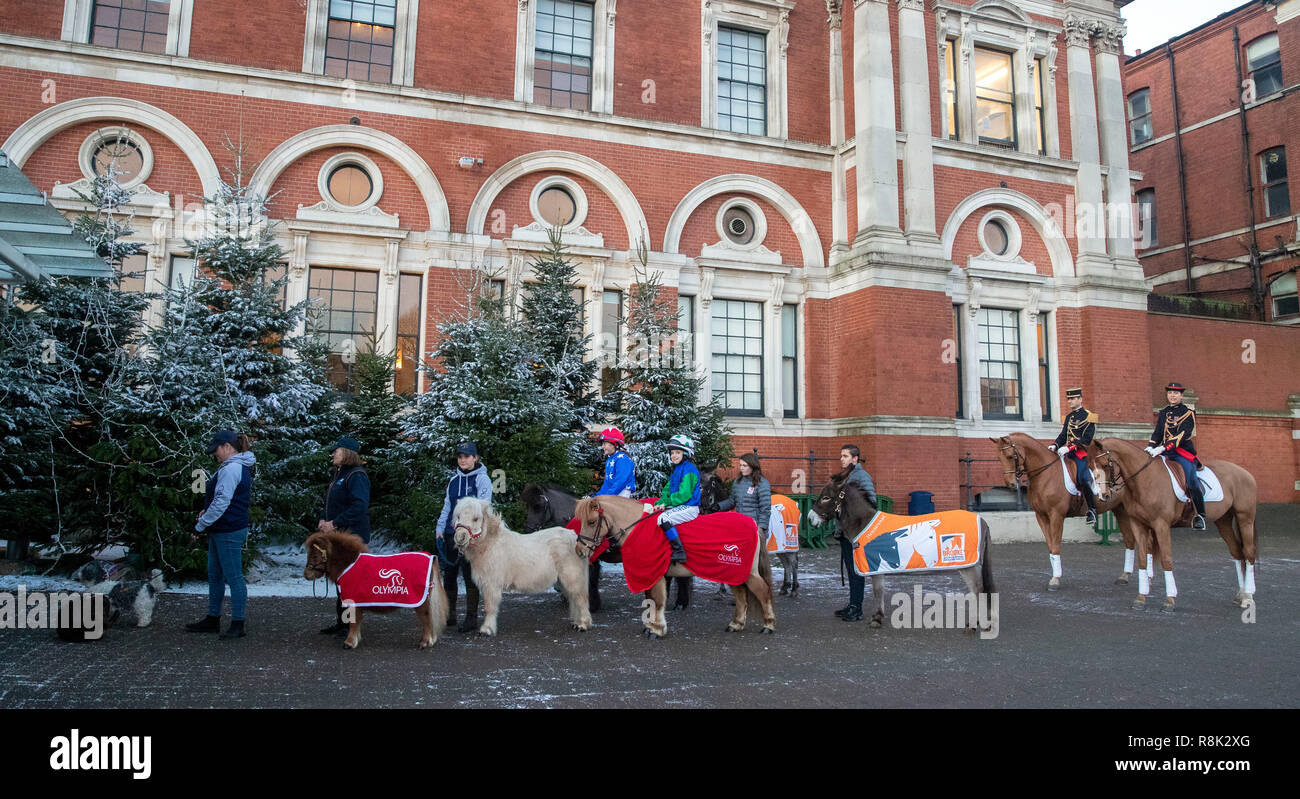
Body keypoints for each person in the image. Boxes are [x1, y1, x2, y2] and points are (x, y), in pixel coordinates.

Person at [186, 430, 256, 639]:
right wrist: (206, 514)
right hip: (222, 528)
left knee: (233, 577)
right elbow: (220, 500)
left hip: (228, 530)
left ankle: (238, 624)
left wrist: (200, 525)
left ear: (227, 446)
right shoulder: (231, 466)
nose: (214, 454)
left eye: (216, 449)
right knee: (215, 575)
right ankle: (213, 618)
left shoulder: (232, 468)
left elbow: (222, 502)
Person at [435, 442, 492, 632]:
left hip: (471, 538)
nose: (463, 460)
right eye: (460, 457)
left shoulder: (483, 480)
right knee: (449, 576)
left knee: (470, 577)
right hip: (452, 535)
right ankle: (450, 615)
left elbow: (485, 508)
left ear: (475, 458)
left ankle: (471, 618)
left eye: (467, 456)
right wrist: (440, 528)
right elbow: (447, 507)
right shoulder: (453, 481)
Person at [317, 436, 371, 636]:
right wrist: (323, 520)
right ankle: (342, 622)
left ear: (347, 453)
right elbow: (330, 503)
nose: (333, 454)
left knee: (350, 583)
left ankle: (350, 625)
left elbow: (359, 506)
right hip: (339, 536)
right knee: (341, 581)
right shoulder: (339, 474)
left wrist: (335, 522)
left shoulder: (357, 475)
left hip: (352, 537)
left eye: (336, 451)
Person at [1146, 381, 1206, 530]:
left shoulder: (1188, 413)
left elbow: (1183, 435)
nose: (1173, 395)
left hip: (1181, 452)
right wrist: (1151, 446)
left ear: (1181, 395)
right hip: (1164, 451)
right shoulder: (1163, 412)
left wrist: (1163, 448)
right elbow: (1158, 432)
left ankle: (1200, 515)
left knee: (1191, 479)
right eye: (1170, 393)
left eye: (1176, 393)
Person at [833, 444, 877, 622]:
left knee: (856, 570)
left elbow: (871, 503)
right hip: (845, 531)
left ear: (855, 458)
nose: (842, 459)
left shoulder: (862, 476)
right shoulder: (846, 476)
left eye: (845, 456)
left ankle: (856, 608)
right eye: (841, 456)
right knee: (850, 570)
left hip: (855, 533)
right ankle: (852, 604)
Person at [1049, 387, 1099, 525]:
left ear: (1080, 399)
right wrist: (1055, 445)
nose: (1070, 401)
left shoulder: (1089, 417)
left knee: (1083, 477)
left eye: (1073, 399)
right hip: (1065, 453)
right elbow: (1063, 435)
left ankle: (1092, 510)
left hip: (1080, 454)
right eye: (1069, 399)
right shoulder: (1069, 417)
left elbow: (1086, 440)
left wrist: (1069, 447)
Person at [654, 434, 701, 565]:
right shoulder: (678, 469)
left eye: (677, 452)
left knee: (663, 519)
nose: (673, 455)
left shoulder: (690, 470)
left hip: (690, 507)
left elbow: (684, 495)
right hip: (680, 505)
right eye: (672, 452)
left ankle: (679, 551)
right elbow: (667, 489)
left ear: (686, 454)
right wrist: (661, 501)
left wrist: (667, 502)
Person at [729, 453, 771, 546]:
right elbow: (732, 501)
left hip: (755, 527)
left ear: (753, 466)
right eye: (740, 465)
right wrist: (717, 506)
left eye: (744, 465)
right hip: (741, 526)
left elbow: (765, 509)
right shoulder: (737, 482)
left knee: (756, 559)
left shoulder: (762, 483)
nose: (741, 468)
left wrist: (761, 528)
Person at [593, 427, 636, 498]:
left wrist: (606, 496)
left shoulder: (623, 459)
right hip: (611, 494)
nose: (602, 446)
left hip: (621, 494)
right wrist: (597, 496)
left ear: (615, 444)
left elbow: (621, 482)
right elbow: (607, 484)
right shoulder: (610, 459)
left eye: (604, 444)